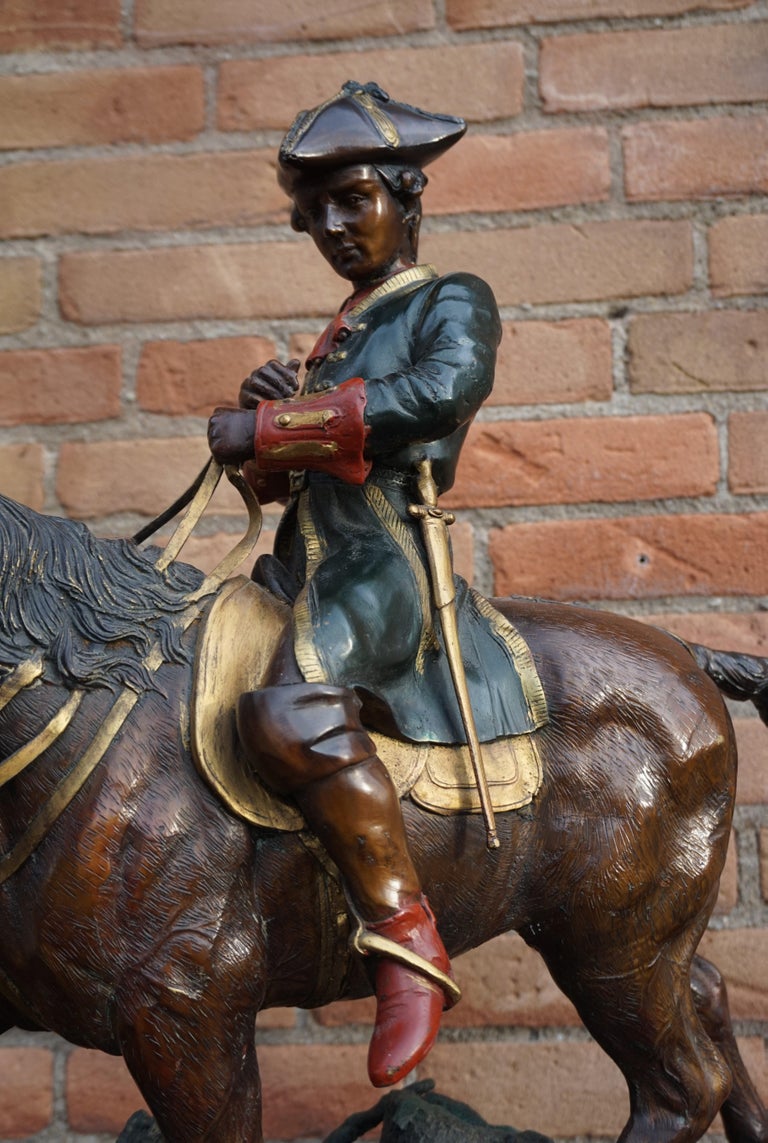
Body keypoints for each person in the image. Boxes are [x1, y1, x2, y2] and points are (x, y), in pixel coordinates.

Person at [207, 81, 547, 1087]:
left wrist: (274, 425)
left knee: (280, 710)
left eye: (353, 199)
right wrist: (268, 426)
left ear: (407, 197)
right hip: (302, 560)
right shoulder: (339, 334)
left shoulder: (450, 300)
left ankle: (404, 939)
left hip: (384, 563)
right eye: (315, 212)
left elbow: (436, 398)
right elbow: (279, 481)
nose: (333, 226)